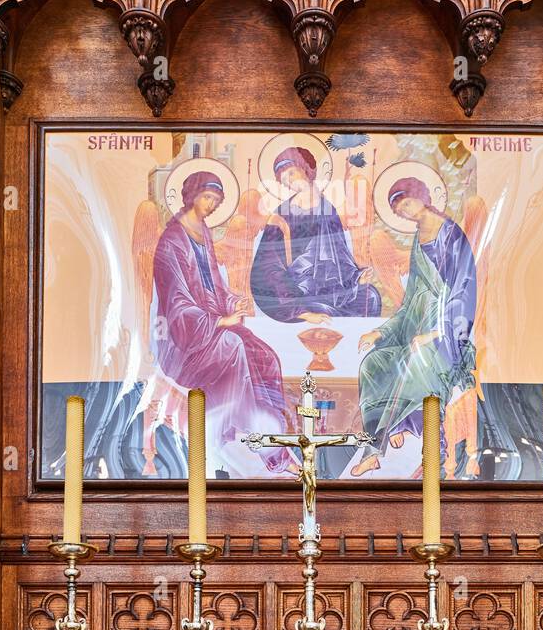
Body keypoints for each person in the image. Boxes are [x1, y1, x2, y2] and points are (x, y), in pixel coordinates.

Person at [152, 169, 292, 472]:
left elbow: (215, 284)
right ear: (190, 196)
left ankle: (276, 438)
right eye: (207, 197)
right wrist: (219, 323)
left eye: (216, 200)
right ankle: (245, 436)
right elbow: (176, 303)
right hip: (184, 343)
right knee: (233, 347)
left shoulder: (202, 233)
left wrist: (232, 302)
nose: (212, 205)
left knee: (265, 356)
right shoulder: (170, 242)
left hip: (212, 326)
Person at [351, 174, 476, 475]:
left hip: (448, 340)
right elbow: (409, 303)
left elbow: (465, 291)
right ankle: (387, 435)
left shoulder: (451, 235)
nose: (404, 211)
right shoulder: (417, 241)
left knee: (414, 363)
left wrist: (437, 334)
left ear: (422, 196)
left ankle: (423, 453)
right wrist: (380, 331)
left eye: (406, 202)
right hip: (416, 332)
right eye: (398, 210)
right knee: (374, 364)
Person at [250, 145, 381, 322]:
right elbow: (269, 265)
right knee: (322, 308)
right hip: (297, 289)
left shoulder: (328, 209)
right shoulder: (280, 216)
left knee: (370, 297)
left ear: (306, 168)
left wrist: (357, 278)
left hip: (331, 287)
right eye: (284, 179)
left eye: (291, 173)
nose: (289, 181)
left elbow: (340, 256)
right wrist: (298, 310)